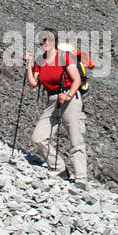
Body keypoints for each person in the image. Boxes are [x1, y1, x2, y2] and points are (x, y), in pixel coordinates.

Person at [24, 27, 88, 189]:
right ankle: (60, 167)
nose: (44, 42)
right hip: (52, 99)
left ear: (54, 41)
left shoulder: (64, 57)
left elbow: (77, 80)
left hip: (70, 98)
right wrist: (29, 64)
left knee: (75, 139)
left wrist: (68, 96)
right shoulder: (40, 60)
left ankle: (81, 179)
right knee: (38, 138)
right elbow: (33, 84)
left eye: (48, 39)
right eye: (42, 40)